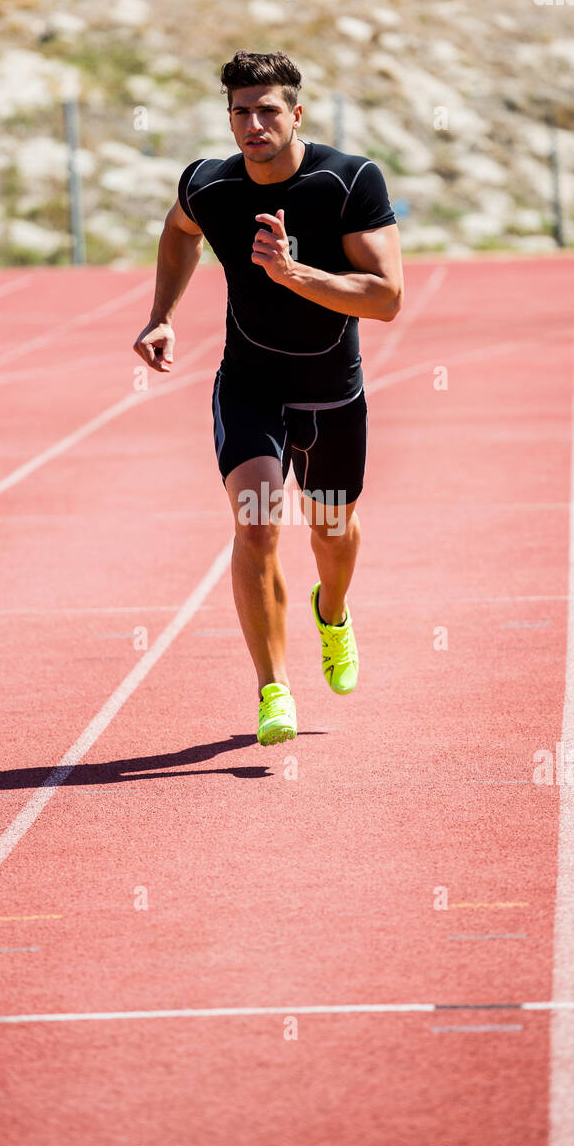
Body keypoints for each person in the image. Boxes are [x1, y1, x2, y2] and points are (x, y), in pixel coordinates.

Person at [133, 50, 404, 745]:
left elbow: (386, 300)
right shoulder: (209, 184)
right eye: (240, 112)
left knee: (332, 532)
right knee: (256, 525)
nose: (253, 124)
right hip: (251, 387)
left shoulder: (348, 181)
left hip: (332, 393)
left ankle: (333, 613)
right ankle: (273, 689)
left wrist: (291, 273)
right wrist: (163, 312)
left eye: (267, 111)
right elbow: (178, 231)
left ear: (296, 113)